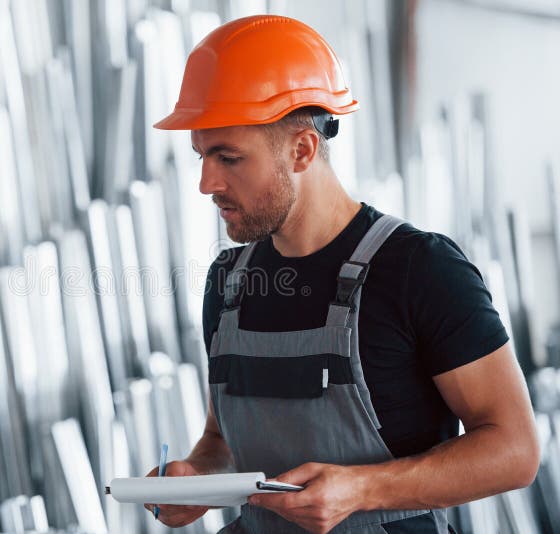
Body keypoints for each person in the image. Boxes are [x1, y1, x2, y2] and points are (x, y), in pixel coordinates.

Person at [144, 14, 539, 533]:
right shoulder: (230, 283)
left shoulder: (420, 270)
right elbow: (222, 441)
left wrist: (363, 489)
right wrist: (196, 479)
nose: (205, 183)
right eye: (201, 155)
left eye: (228, 158)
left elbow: (515, 450)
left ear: (302, 149)